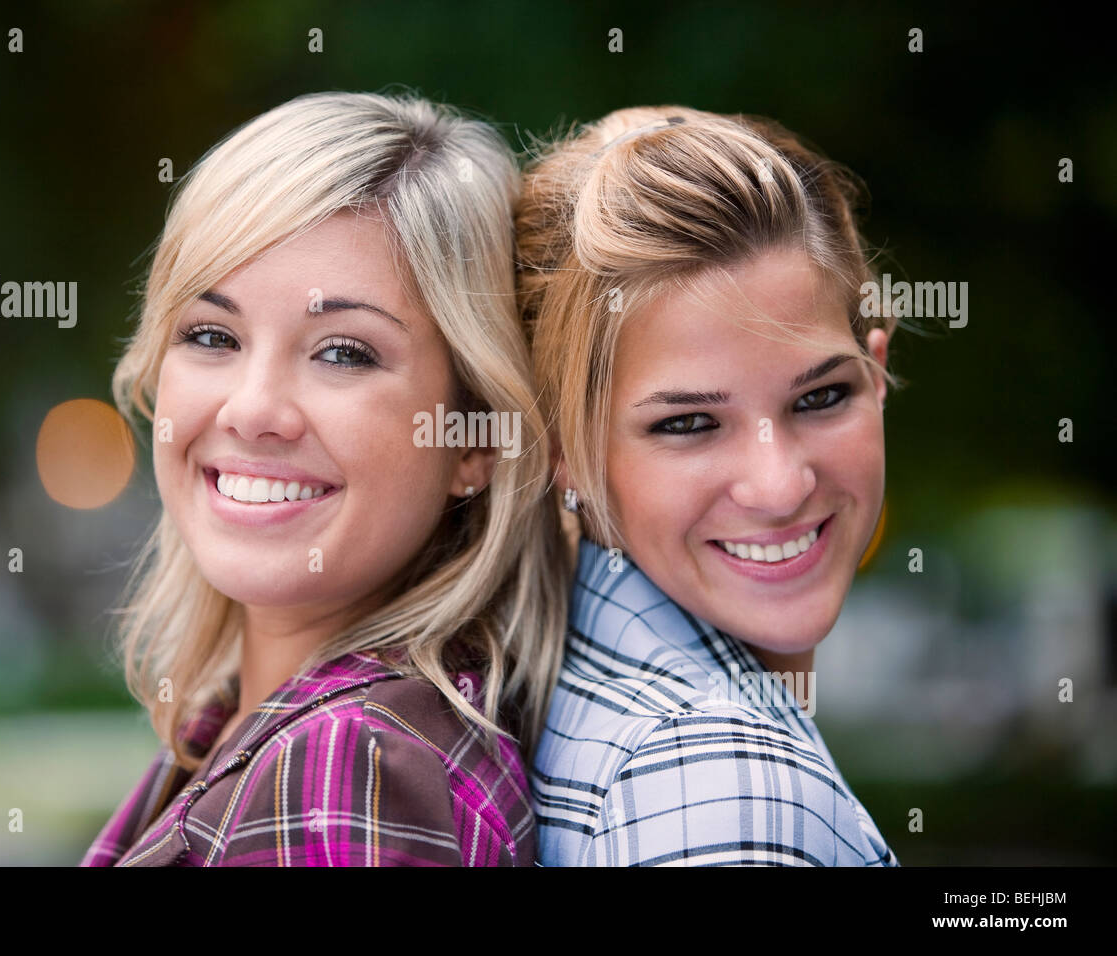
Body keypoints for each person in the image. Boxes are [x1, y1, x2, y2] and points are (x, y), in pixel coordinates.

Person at [81, 91, 568, 867]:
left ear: (475, 440)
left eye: (344, 352)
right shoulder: (258, 726)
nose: (252, 410)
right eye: (212, 335)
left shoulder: (349, 772)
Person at [516, 105, 901, 866]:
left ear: (877, 368)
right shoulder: (730, 798)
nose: (781, 485)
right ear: (560, 446)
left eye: (821, 397)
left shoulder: (565, 672)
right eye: (688, 424)